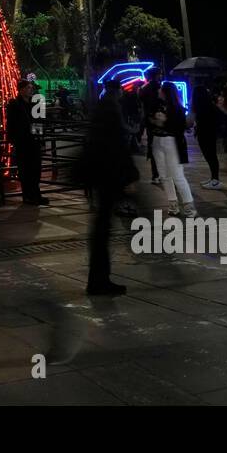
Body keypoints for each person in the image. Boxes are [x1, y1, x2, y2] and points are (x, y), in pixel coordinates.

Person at [79, 79, 138, 295]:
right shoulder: (111, 108)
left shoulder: (102, 106)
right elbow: (118, 144)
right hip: (108, 174)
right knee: (103, 229)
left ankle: (98, 279)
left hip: (101, 174)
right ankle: (98, 281)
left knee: (102, 227)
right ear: (117, 91)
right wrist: (130, 174)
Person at [151, 82, 196, 217]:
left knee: (177, 175)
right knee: (164, 176)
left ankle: (189, 207)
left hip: (172, 142)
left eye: (161, 89)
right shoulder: (158, 106)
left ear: (166, 92)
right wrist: (156, 121)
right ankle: (173, 204)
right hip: (157, 141)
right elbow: (149, 120)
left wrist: (163, 121)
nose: (158, 91)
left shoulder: (177, 109)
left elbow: (178, 127)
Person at [5, 80, 47, 205]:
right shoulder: (14, 104)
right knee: (25, 170)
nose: (31, 90)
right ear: (21, 89)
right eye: (28, 88)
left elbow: (38, 121)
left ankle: (35, 194)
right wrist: (15, 139)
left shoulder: (34, 103)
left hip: (33, 141)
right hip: (22, 141)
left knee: (36, 169)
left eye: (31, 88)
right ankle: (28, 196)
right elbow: (12, 123)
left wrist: (39, 139)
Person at [193, 84, 227, 190]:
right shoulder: (206, 105)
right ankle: (213, 178)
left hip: (207, 134)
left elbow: (223, 117)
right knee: (210, 156)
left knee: (211, 156)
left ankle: (215, 180)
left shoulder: (206, 106)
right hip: (207, 134)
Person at [139, 67, 164, 183]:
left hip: (150, 120)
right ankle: (164, 173)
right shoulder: (161, 87)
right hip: (162, 120)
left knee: (153, 146)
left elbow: (141, 103)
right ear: (157, 75)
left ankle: (155, 174)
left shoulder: (144, 88)